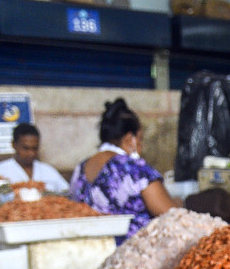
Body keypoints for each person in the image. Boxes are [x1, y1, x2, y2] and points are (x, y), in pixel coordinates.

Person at [69, 99, 180, 242]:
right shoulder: (134, 169)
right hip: (132, 248)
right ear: (129, 139)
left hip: (91, 246)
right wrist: (178, 203)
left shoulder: (80, 169)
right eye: (140, 139)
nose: (141, 146)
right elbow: (170, 214)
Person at [0, 123, 69, 191]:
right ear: (14, 145)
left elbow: (66, 193)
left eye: (35, 148)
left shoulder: (48, 171)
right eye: (26, 148)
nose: (31, 153)